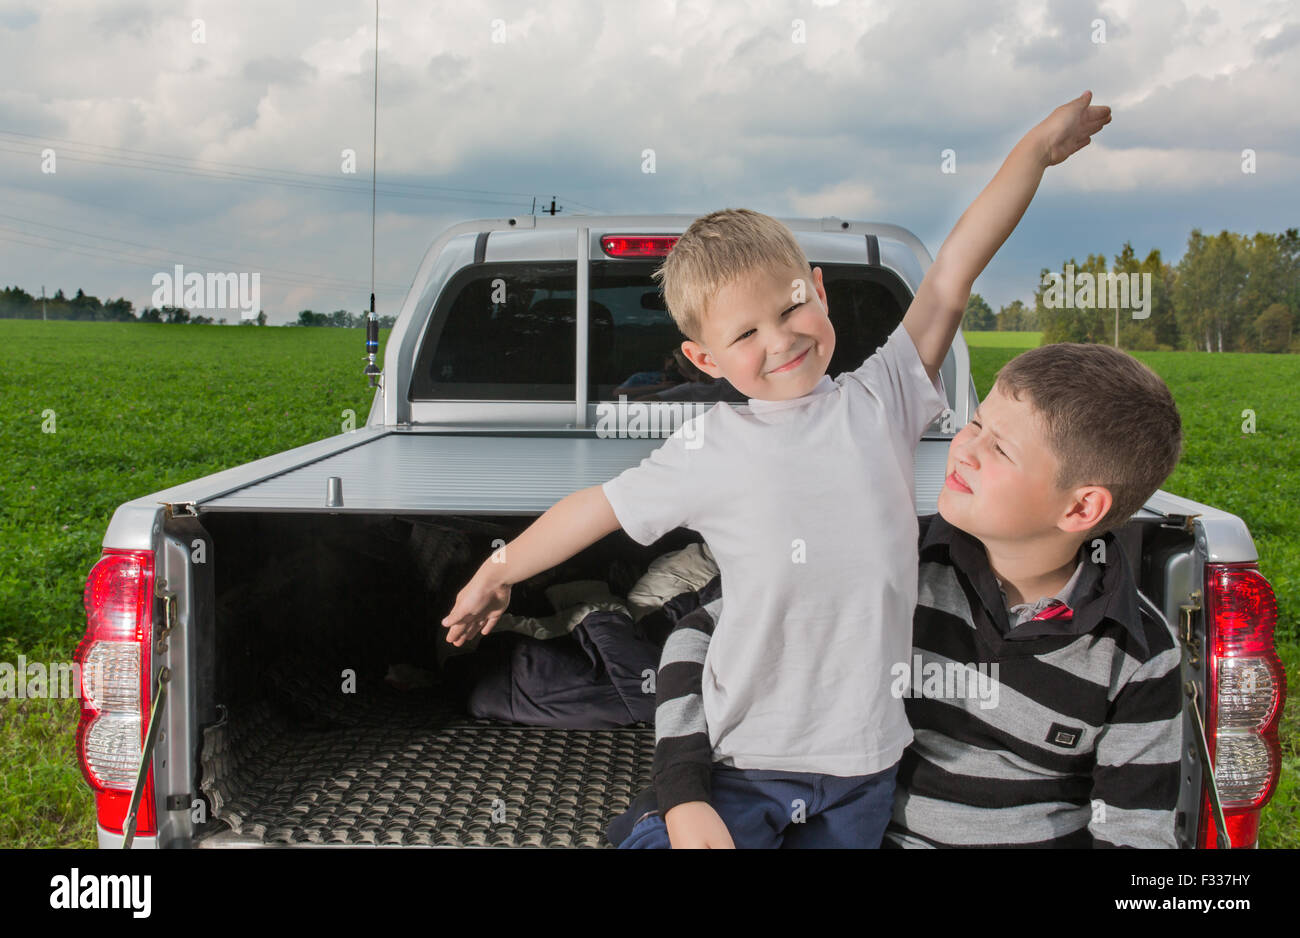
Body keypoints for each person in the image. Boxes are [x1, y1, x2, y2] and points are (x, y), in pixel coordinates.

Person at [441, 91, 1112, 848]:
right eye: (745, 333)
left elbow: (954, 271)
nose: (780, 340)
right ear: (705, 359)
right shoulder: (711, 447)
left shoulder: (882, 397)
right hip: (739, 763)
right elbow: (594, 506)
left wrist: (1033, 153)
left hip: (866, 768)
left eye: (791, 309)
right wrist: (496, 571)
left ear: (817, 292)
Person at [612, 341, 1184, 848]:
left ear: (1081, 508)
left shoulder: (1138, 652)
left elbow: (1134, 836)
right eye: (976, 422)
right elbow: (699, 631)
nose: (964, 448)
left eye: (1001, 450)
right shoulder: (891, 558)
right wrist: (683, 786)